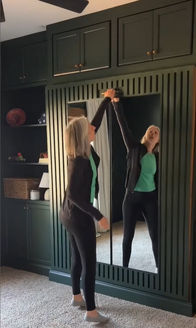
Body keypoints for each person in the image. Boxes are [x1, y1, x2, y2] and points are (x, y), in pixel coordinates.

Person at [59, 89, 115, 323]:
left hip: (71, 214)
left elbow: (96, 122)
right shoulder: (78, 160)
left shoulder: (85, 149)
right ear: (85, 135)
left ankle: (76, 297)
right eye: (90, 128)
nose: (94, 128)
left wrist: (106, 100)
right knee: (89, 263)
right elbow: (72, 194)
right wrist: (98, 215)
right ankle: (91, 312)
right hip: (77, 215)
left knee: (77, 258)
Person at [112, 97, 160, 273]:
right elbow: (124, 127)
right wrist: (116, 104)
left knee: (155, 235)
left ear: (159, 138)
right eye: (151, 130)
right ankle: (125, 268)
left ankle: (158, 267)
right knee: (127, 236)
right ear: (146, 134)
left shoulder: (157, 156)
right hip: (132, 197)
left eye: (156, 131)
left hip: (150, 197)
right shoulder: (134, 148)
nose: (153, 132)